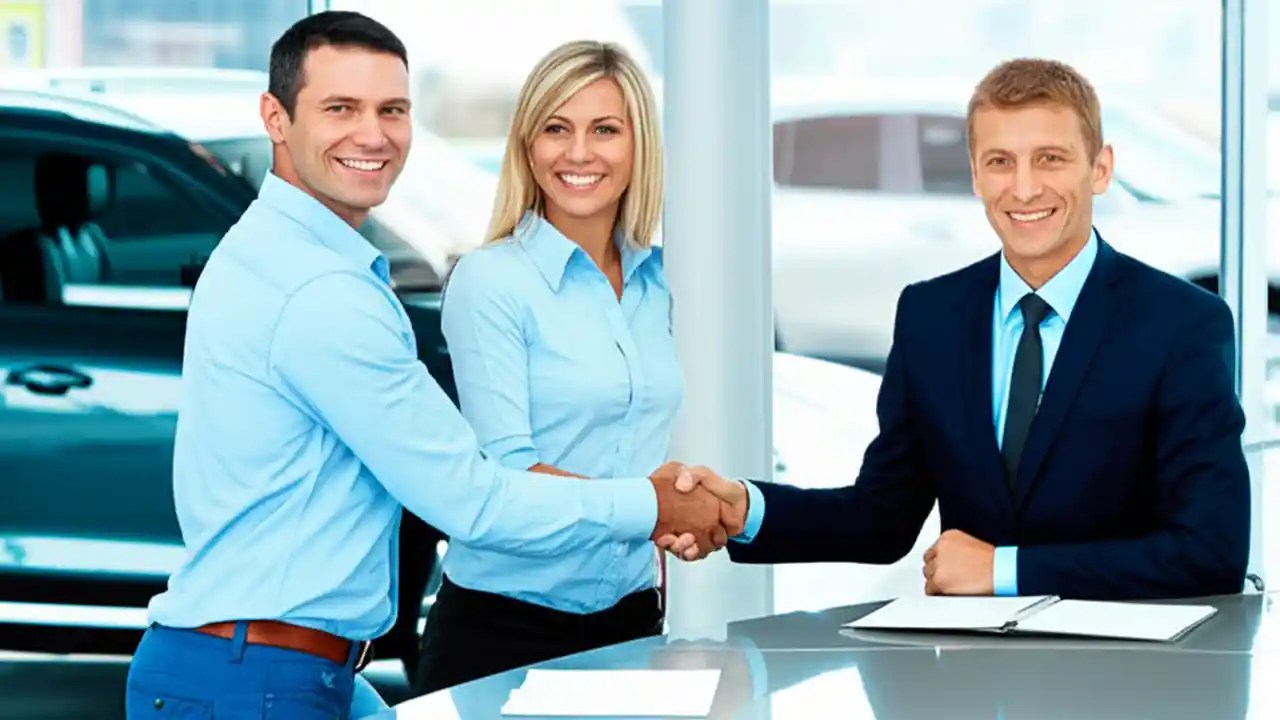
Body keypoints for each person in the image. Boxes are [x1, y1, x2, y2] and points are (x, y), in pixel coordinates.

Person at [124, 12, 734, 719]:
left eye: (392, 110)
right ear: (275, 117)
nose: (373, 135)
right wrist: (656, 504)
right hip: (252, 679)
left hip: (294, 670)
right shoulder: (320, 291)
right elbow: (471, 498)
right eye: (340, 109)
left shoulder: (285, 255)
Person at [668, 58, 1251, 601]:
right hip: (972, 664)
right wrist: (745, 509)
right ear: (975, 174)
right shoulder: (932, 316)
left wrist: (1002, 569)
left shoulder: (1181, 323)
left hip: (1135, 668)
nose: (1024, 188)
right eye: (1000, 162)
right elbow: (882, 517)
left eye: (1050, 158)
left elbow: (1211, 551)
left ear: (1100, 169)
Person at [410, 40, 681, 695]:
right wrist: (656, 507)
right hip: (502, 632)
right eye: (556, 129)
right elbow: (510, 477)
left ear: (639, 145)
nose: (578, 153)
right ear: (528, 147)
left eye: (605, 130)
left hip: (632, 623)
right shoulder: (491, 282)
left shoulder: (664, 281)